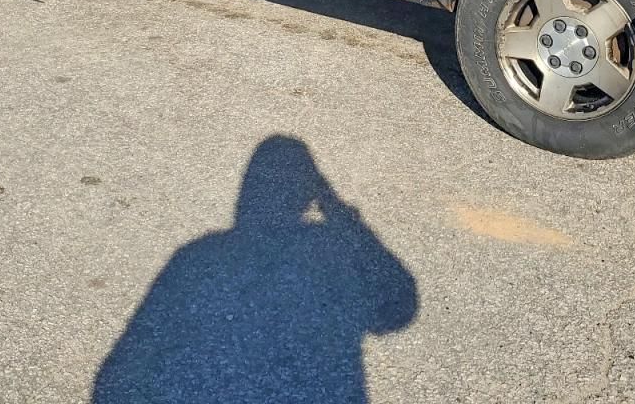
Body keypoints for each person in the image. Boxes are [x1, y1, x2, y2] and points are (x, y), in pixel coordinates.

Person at [92, 135, 418, 403]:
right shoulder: (331, 248)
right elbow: (398, 309)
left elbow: (124, 368)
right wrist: (341, 214)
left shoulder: (197, 255)